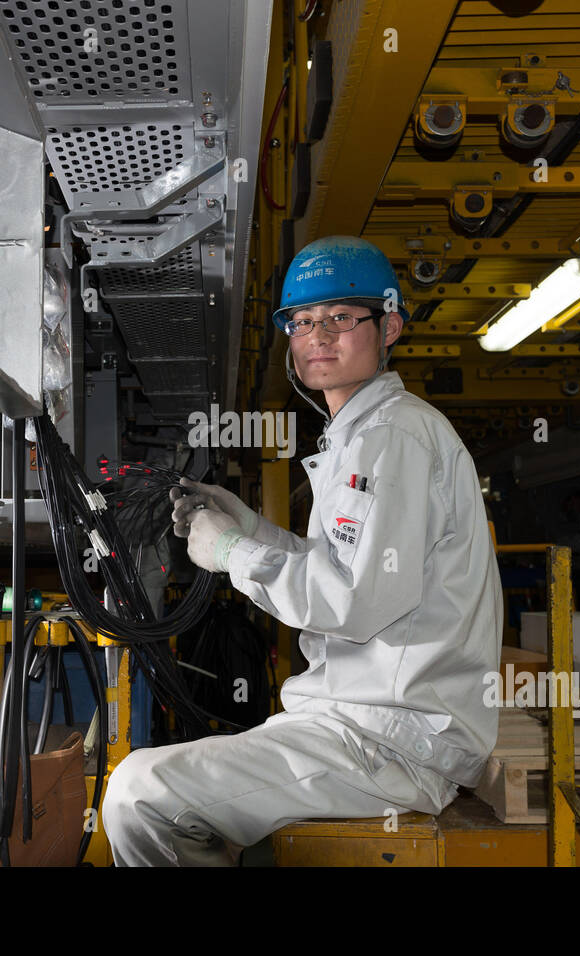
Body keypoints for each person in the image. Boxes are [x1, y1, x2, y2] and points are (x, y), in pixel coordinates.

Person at [100, 235, 502, 866]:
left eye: (342, 318)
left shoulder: (392, 437)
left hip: (393, 738)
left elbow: (352, 602)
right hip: (360, 720)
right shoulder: (363, 435)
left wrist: (232, 552)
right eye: (303, 321)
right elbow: (341, 569)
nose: (319, 335)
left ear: (389, 325)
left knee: (138, 793)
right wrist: (252, 529)